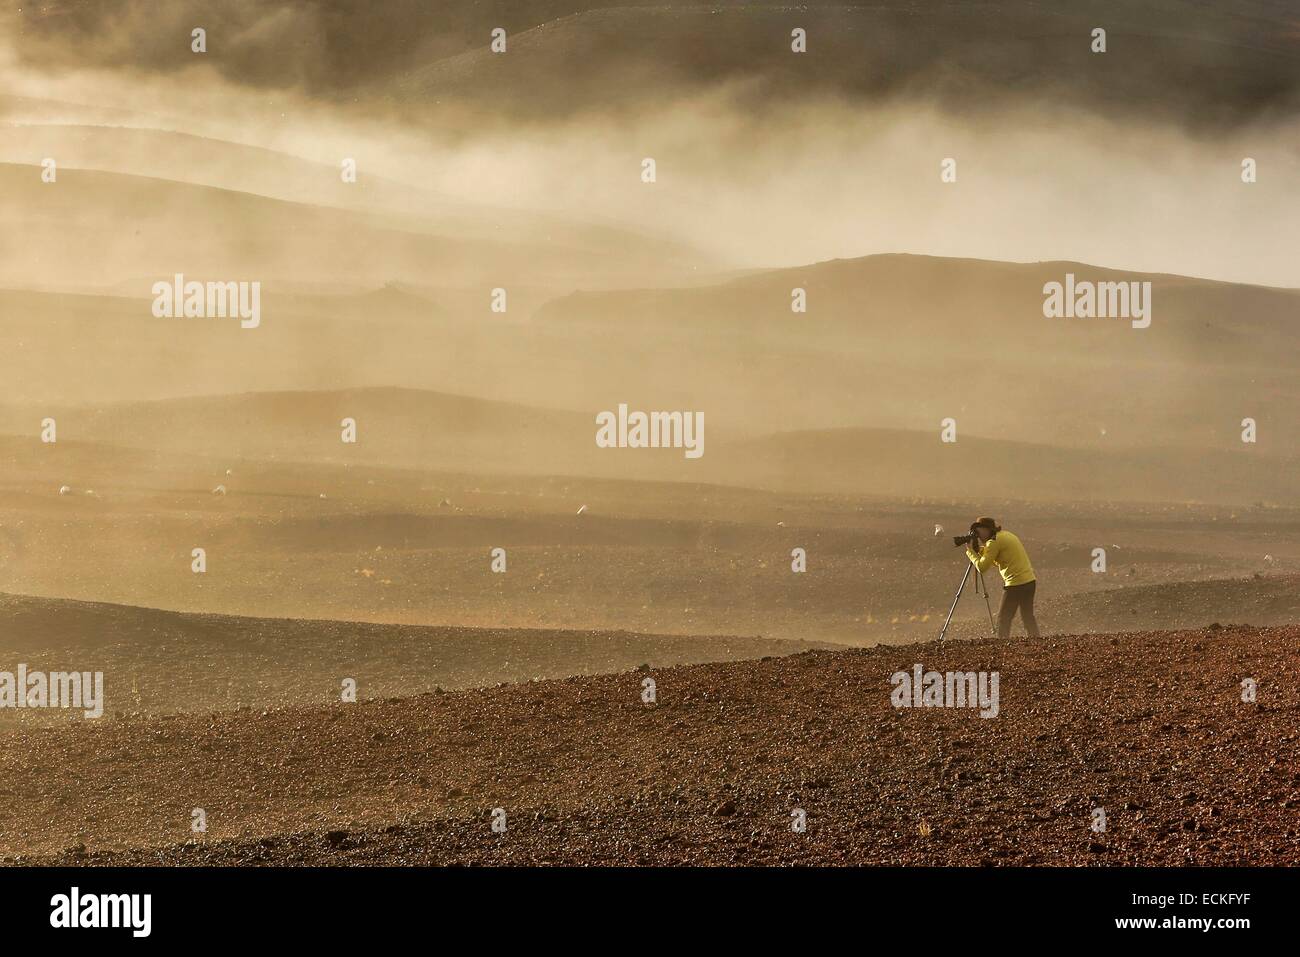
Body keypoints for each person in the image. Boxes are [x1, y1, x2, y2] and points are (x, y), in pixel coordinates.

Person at [965, 516, 1040, 639]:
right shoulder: (1005, 535)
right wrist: (982, 551)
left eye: (979, 532)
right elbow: (999, 559)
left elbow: (982, 567)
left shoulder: (993, 542)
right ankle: (1037, 641)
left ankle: (1002, 644)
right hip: (1029, 581)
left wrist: (970, 552)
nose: (978, 536)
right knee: (1027, 616)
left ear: (986, 530)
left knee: (1003, 618)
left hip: (1015, 584)